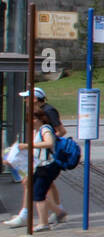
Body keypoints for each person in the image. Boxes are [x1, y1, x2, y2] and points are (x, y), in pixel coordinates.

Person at [5, 106, 66, 231]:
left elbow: (49, 143)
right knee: (34, 190)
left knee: (38, 194)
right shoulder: (36, 132)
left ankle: (44, 223)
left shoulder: (45, 129)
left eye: (32, 119)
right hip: (40, 165)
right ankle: (58, 212)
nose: (30, 122)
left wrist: (28, 146)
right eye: (29, 119)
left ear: (39, 119)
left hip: (47, 166)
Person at [19, 88, 66, 217]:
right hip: (41, 156)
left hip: (46, 156)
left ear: (34, 99)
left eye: (27, 98)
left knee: (34, 183)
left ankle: (55, 212)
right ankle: (57, 211)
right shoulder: (37, 110)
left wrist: (44, 141)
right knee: (44, 184)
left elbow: (61, 131)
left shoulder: (48, 111)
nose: (25, 101)